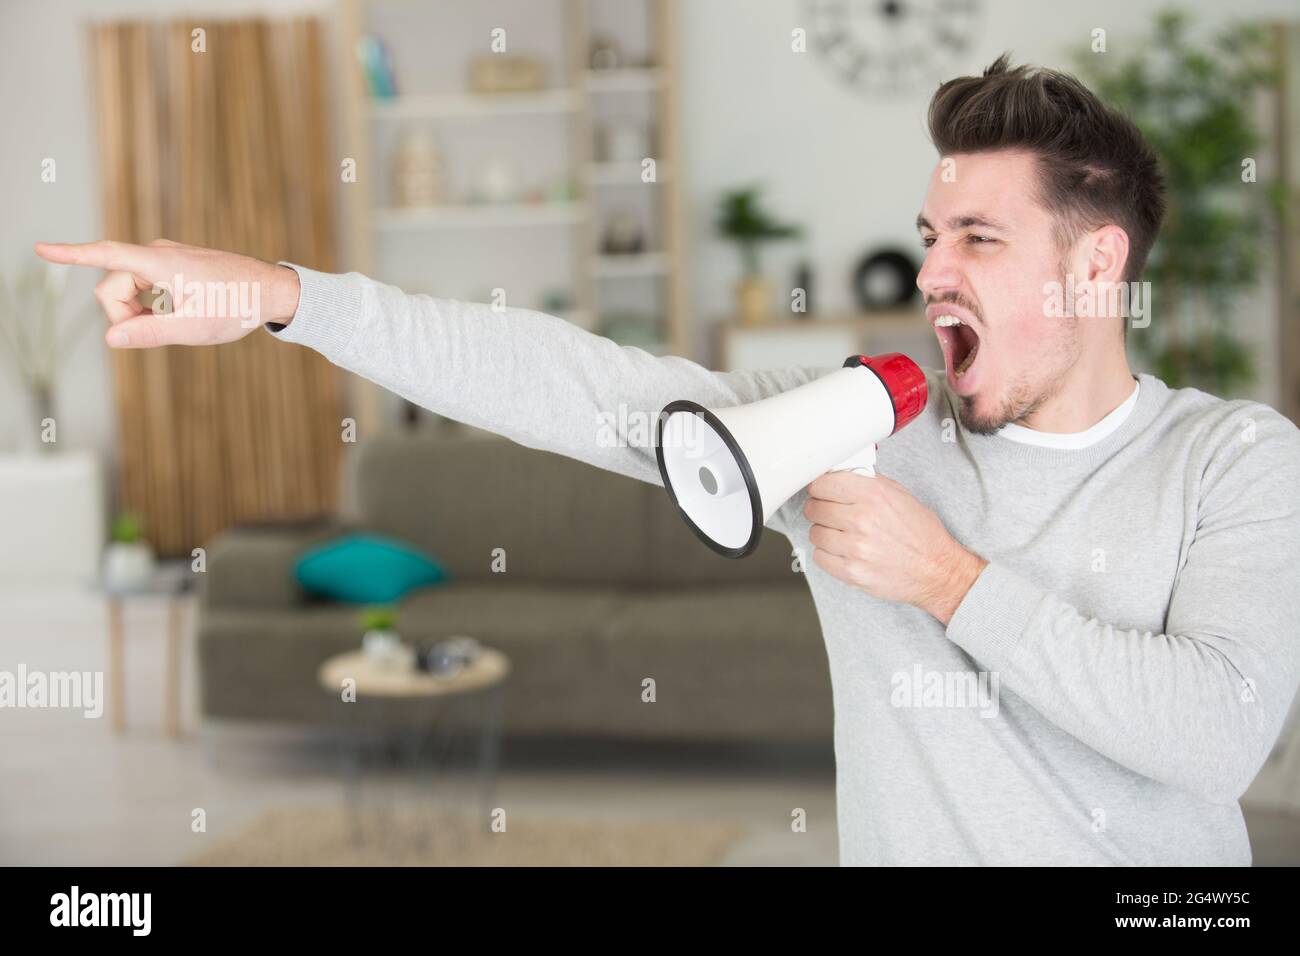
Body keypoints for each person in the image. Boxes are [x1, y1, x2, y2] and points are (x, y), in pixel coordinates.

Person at [37, 55, 1300, 865]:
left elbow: (1214, 738)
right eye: (928, 235)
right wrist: (281, 295)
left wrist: (951, 582)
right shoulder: (851, 429)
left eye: (978, 235)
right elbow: (565, 382)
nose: (930, 272)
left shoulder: (1234, 462)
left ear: (1095, 266)